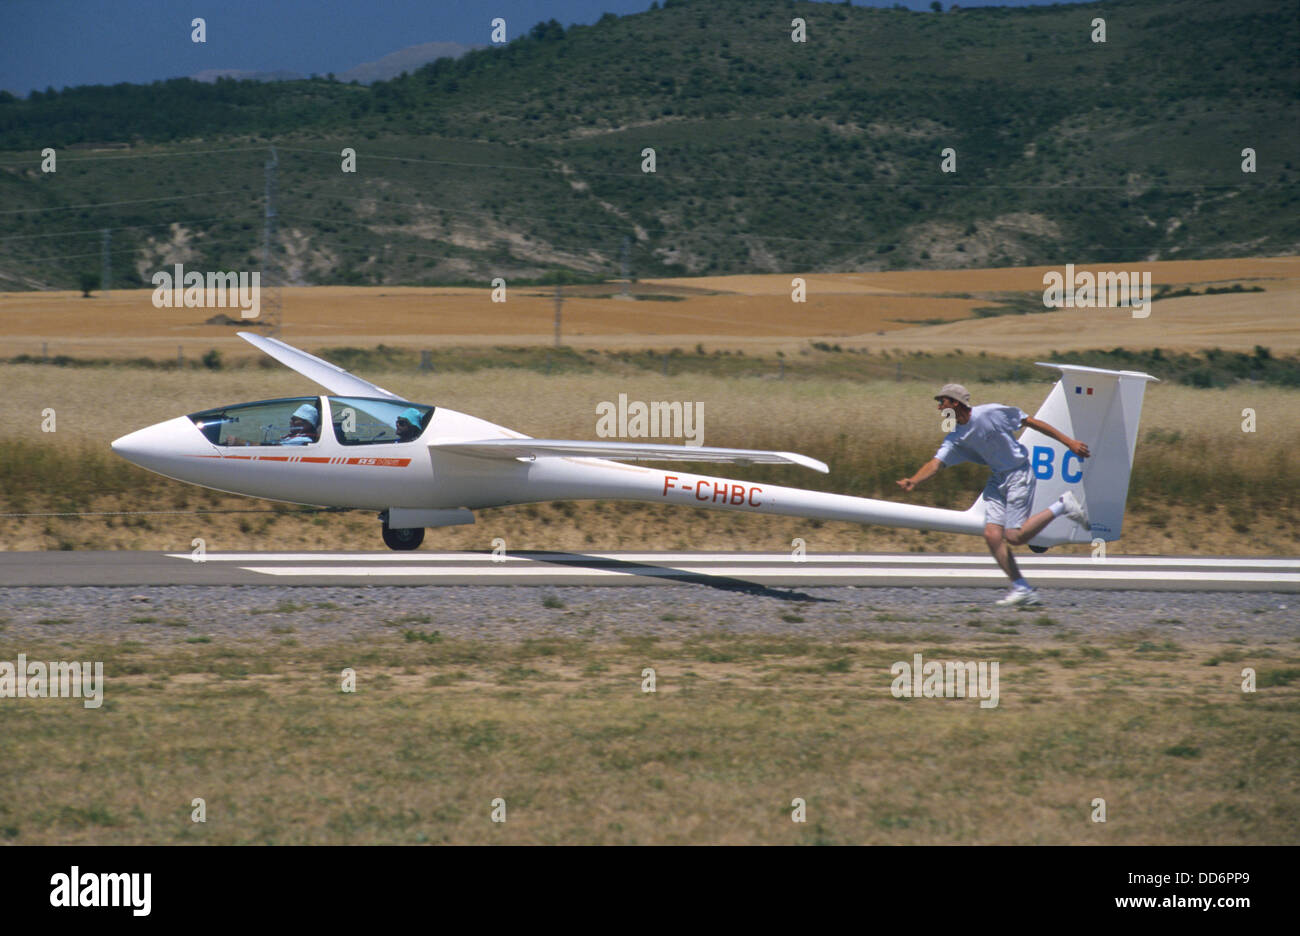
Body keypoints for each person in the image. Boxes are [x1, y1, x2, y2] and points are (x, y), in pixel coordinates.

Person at [897, 383, 1090, 607]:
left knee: (1015, 537)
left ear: (956, 403)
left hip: (1019, 473)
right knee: (991, 535)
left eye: (943, 402)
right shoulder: (956, 436)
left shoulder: (990, 413)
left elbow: (1031, 422)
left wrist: (1070, 443)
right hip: (998, 479)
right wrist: (914, 480)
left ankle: (1063, 505)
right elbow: (935, 463)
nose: (939, 408)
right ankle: (1022, 588)